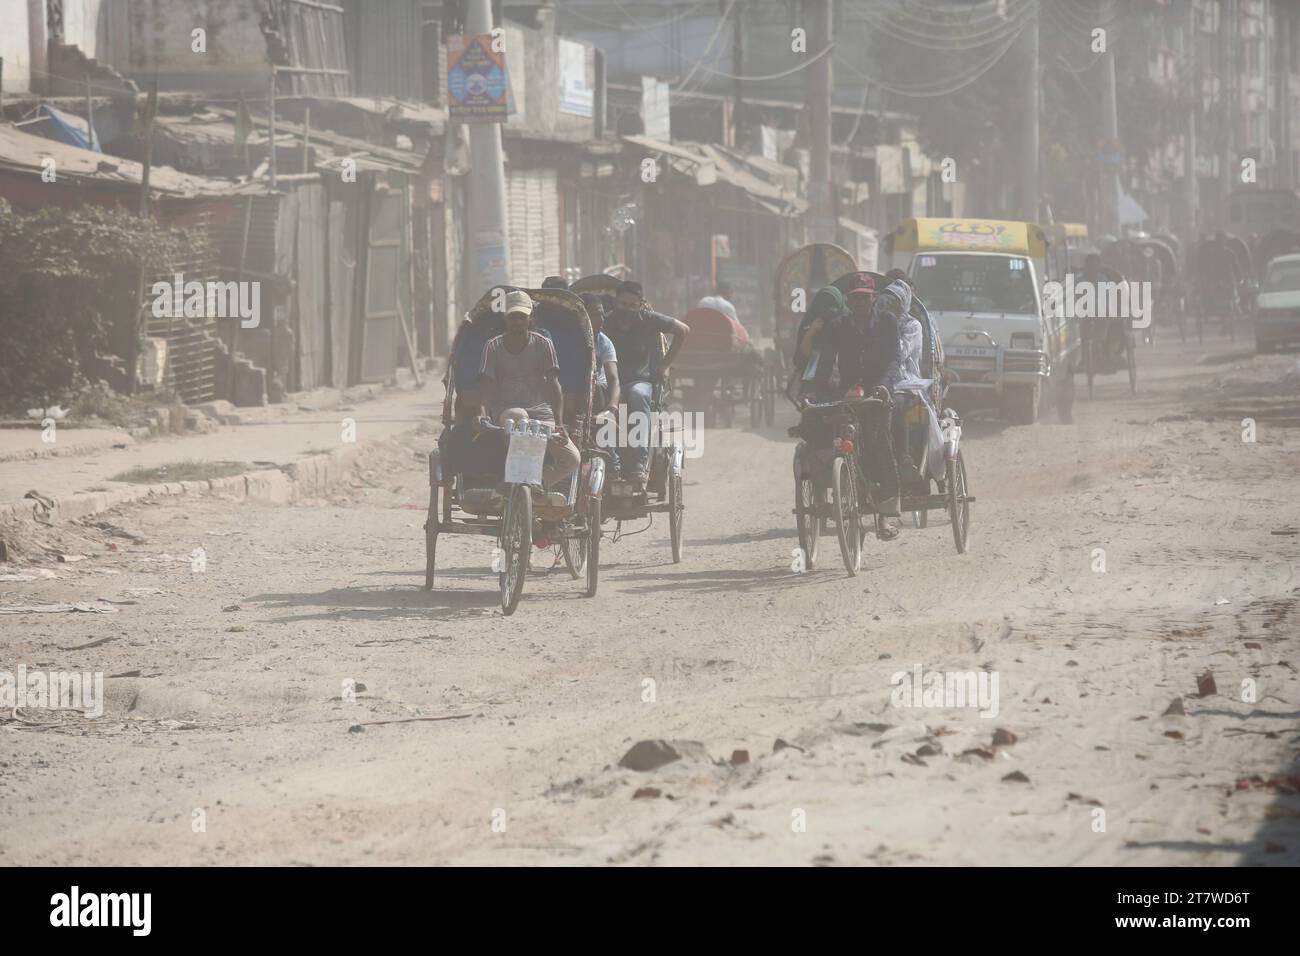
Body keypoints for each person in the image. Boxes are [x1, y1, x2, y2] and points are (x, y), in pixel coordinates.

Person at [828, 274, 905, 540]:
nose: (859, 302)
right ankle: (845, 497)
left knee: (879, 444)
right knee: (830, 441)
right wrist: (815, 390)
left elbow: (895, 360)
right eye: (854, 298)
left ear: (873, 299)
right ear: (848, 301)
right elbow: (826, 362)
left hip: (878, 394)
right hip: (847, 395)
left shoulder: (887, 323)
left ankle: (885, 515)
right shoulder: (838, 326)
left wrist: (884, 387)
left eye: (864, 297)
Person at [477, 290, 580, 490]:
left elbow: (554, 385)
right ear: (505, 318)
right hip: (508, 415)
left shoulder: (543, 344)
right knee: (519, 415)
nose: (517, 322)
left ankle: (534, 485)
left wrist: (559, 423)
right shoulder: (493, 347)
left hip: (541, 415)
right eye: (513, 317)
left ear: (530, 317)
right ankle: (523, 478)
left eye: (522, 317)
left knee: (572, 459)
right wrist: (482, 414)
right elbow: (486, 386)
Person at [604, 280, 690, 492]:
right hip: (608, 381)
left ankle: (638, 463)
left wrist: (665, 364)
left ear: (640, 305)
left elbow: (683, 330)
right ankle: (607, 462)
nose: (627, 310)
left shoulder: (649, 320)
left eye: (633, 306)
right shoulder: (605, 321)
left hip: (639, 381)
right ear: (615, 302)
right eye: (622, 305)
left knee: (637, 394)